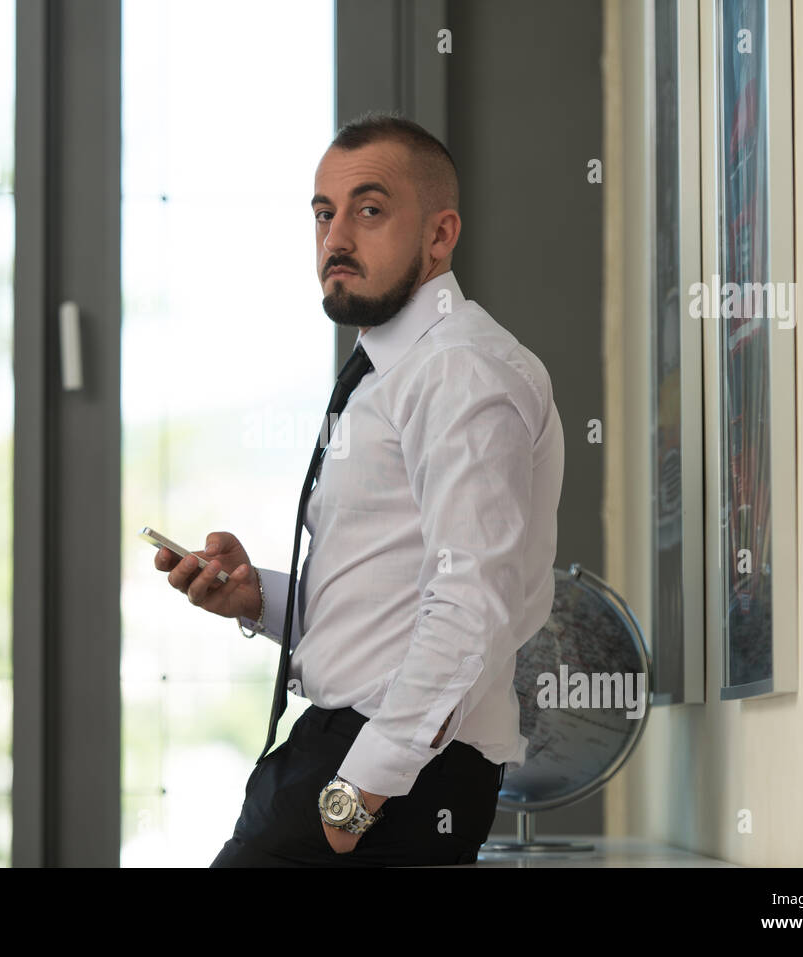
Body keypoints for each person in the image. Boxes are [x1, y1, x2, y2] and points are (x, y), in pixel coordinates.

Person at [153, 111, 564, 866]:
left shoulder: (460, 371)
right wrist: (259, 599)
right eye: (323, 213)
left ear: (440, 236)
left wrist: (356, 795)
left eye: (369, 211)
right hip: (349, 757)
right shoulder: (394, 370)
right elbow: (387, 602)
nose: (335, 238)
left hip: (392, 778)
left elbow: (472, 601)